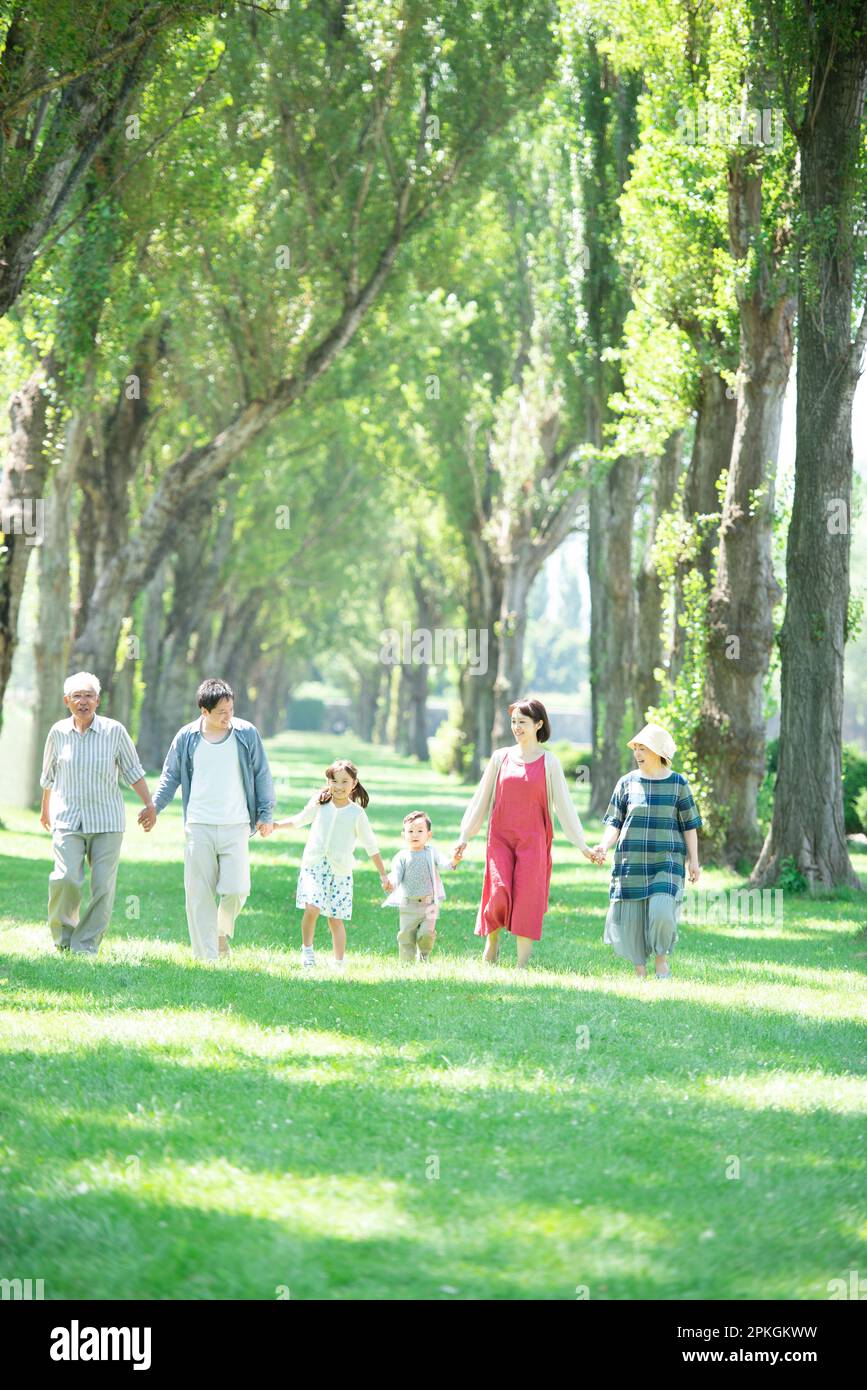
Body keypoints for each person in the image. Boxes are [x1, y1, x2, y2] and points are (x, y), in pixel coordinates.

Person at [452, 695, 597, 968]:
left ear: (538, 724)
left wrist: (582, 845)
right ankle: (492, 943)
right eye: (513, 722)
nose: (517, 727)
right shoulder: (500, 758)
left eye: (523, 722)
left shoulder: (549, 762)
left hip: (534, 841)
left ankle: (521, 965)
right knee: (498, 892)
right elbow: (481, 799)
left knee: (528, 898)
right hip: (500, 838)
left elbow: (564, 806)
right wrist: (464, 836)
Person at [148, 678, 275, 961]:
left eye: (230, 709)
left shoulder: (246, 734)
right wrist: (155, 807)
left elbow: (261, 774)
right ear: (203, 712)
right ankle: (207, 957)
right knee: (199, 894)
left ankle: (220, 931)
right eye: (221, 712)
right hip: (199, 824)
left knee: (237, 889)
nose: (227, 716)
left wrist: (266, 814)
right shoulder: (187, 737)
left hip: (237, 823)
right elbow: (171, 775)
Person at [39, 671, 156, 956]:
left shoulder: (114, 731)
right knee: (66, 878)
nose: (83, 701)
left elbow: (133, 772)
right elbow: (49, 776)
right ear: (67, 700)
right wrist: (45, 810)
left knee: (103, 886)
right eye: (77, 696)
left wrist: (149, 805)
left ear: (98, 700)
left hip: (107, 821)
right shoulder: (57, 733)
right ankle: (64, 939)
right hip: (67, 820)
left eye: (89, 695)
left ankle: (86, 944)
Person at [590, 723, 702, 980]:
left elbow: (690, 826)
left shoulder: (678, 784)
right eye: (636, 749)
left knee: (662, 911)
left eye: (644, 748)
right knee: (631, 917)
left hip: (668, 861)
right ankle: (640, 972)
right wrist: (604, 846)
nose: (638, 754)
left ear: (659, 752)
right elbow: (614, 823)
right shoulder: (626, 783)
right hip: (632, 861)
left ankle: (661, 962)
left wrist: (694, 861)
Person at [272, 758, 391, 970]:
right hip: (314, 866)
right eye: (334, 781)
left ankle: (339, 962)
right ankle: (307, 951)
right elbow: (299, 820)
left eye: (344, 781)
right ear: (328, 782)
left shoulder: (357, 814)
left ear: (353, 783)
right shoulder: (320, 803)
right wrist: (275, 826)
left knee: (335, 919)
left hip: (340, 872)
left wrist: (383, 875)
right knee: (312, 907)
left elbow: (371, 846)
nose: (338, 786)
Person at [383, 811, 460, 963]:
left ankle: (424, 956)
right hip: (408, 904)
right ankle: (406, 964)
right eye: (410, 831)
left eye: (419, 831)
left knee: (427, 934)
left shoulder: (431, 853)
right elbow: (396, 877)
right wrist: (390, 884)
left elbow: (445, 864)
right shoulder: (401, 857)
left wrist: (454, 860)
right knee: (406, 935)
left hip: (430, 903)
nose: (414, 835)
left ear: (428, 835)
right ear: (403, 835)